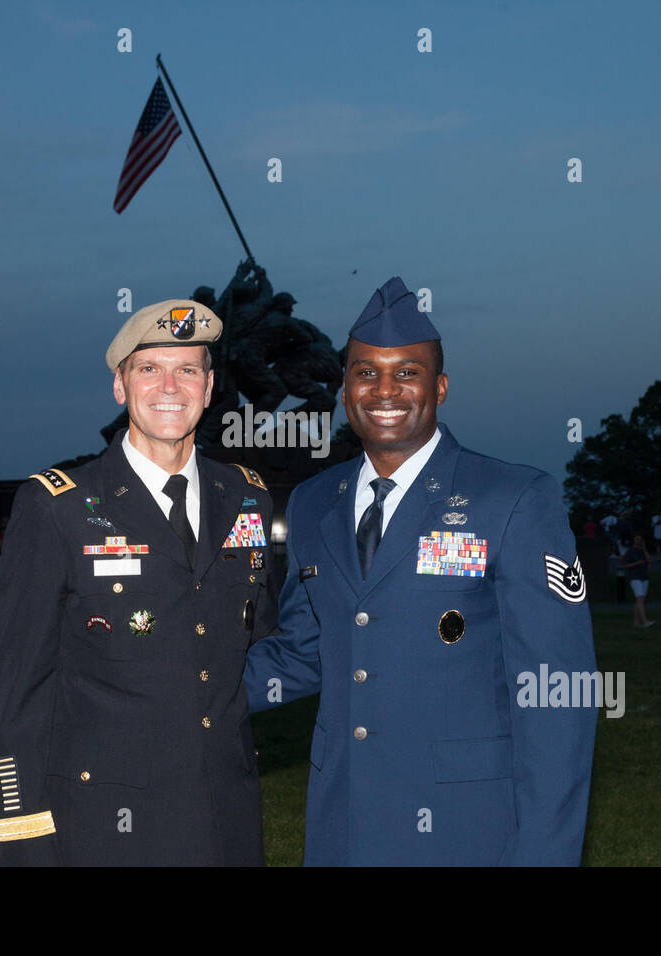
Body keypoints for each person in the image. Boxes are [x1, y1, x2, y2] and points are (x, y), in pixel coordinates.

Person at [243, 276, 597, 865]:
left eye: (406, 372)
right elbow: (306, 651)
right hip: (344, 825)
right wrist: (175, 684)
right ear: (344, 387)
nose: (384, 390)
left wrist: (544, 855)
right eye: (365, 372)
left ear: (440, 386)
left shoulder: (510, 499)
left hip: (466, 830)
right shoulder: (312, 503)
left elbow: (557, 700)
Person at [0, 298, 276, 866]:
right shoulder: (59, 509)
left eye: (187, 369)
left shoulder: (247, 499)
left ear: (210, 386)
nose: (170, 386)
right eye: (148, 369)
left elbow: (257, 647)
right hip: (105, 830)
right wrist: (25, 839)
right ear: (120, 387)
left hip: (227, 820)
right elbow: (18, 694)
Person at [622, 533, 655, 629]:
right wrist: (637, 563)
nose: (639, 541)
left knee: (640, 600)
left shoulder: (642, 551)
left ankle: (636, 622)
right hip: (635, 577)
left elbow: (649, 561)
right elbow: (625, 565)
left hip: (644, 577)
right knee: (640, 598)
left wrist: (644, 548)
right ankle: (645, 621)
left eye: (640, 539)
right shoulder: (630, 552)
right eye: (637, 539)